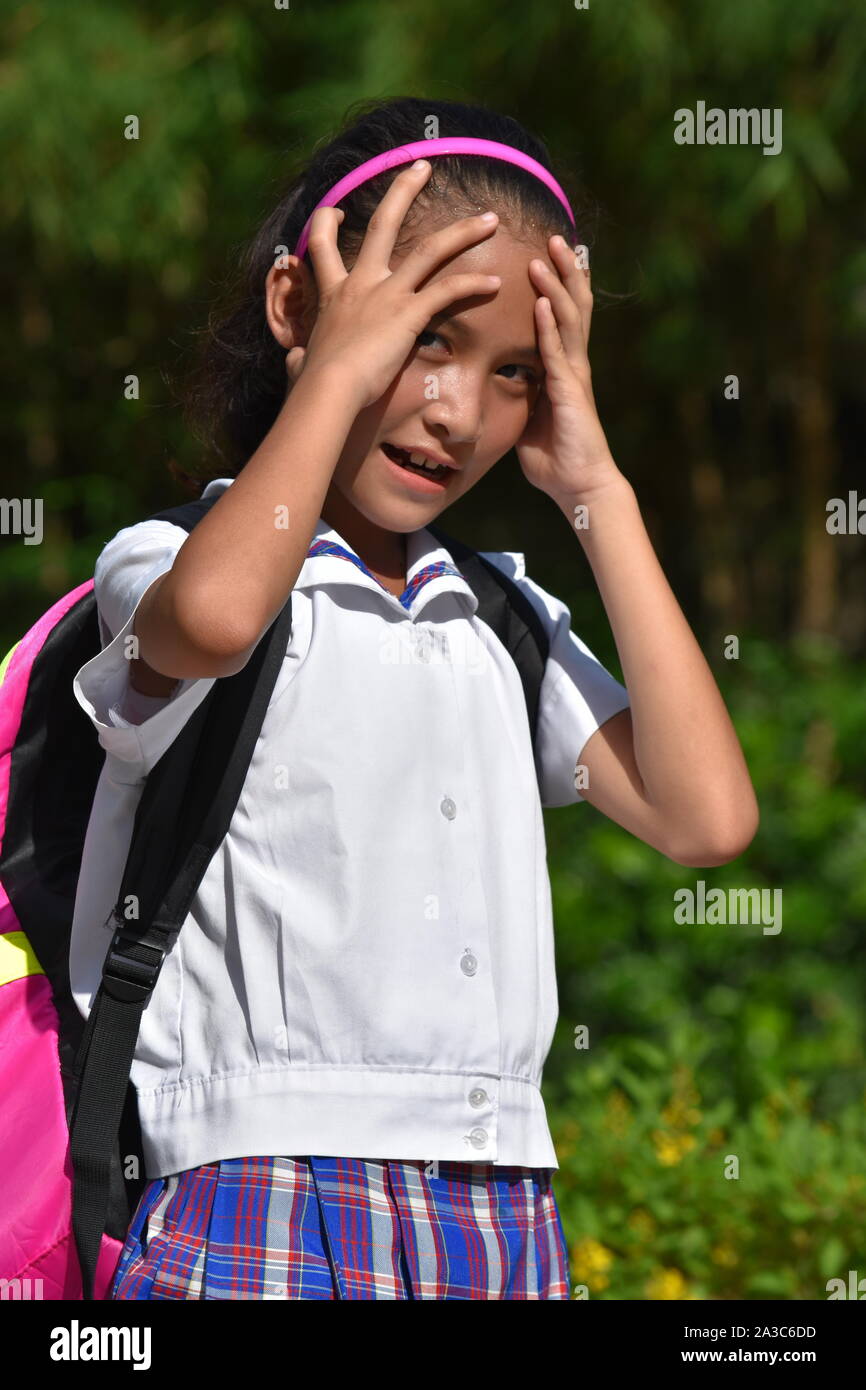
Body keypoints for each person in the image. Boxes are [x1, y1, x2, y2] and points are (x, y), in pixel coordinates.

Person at [70, 96, 759, 1300]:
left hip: (500, 1204)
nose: (457, 413)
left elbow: (703, 818)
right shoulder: (164, 560)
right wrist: (337, 371)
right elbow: (219, 622)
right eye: (425, 339)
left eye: (510, 375)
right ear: (296, 305)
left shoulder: (497, 616)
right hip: (257, 1188)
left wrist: (595, 483)